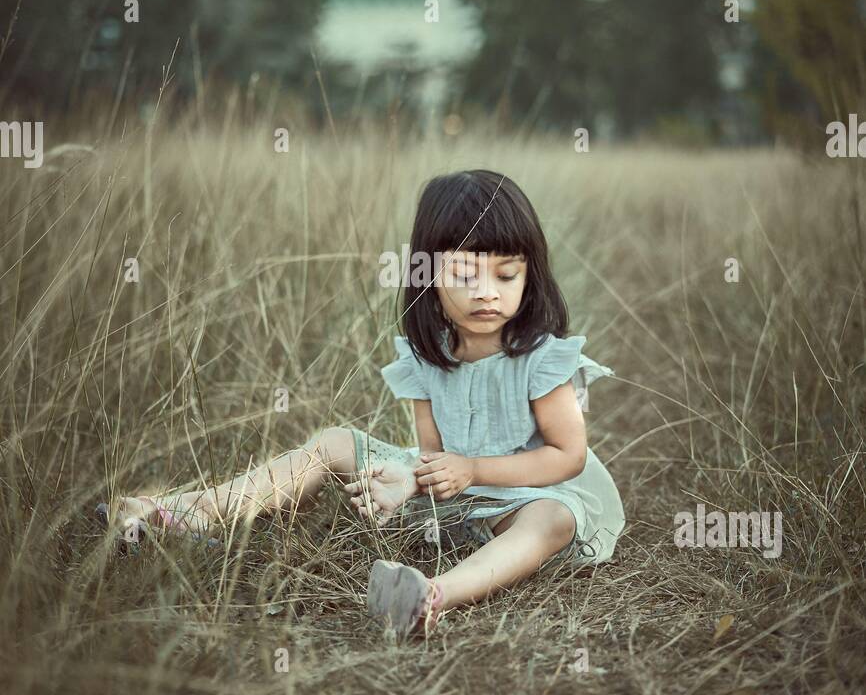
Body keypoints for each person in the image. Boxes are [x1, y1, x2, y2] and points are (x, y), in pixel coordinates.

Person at [98, 170, 626, 639]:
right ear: (428, 278)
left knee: (549, 518)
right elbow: (432, 457)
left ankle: (431, 595)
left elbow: (566, 457)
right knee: (334, 442)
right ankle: (191, 513)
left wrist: (473, 469)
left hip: (538, 491)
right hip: (462, 493)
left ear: (529, 274)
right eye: (465, 275)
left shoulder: (543, 360)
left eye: (506, 275)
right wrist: (408, 480)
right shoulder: (429, 358)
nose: (487, 293)